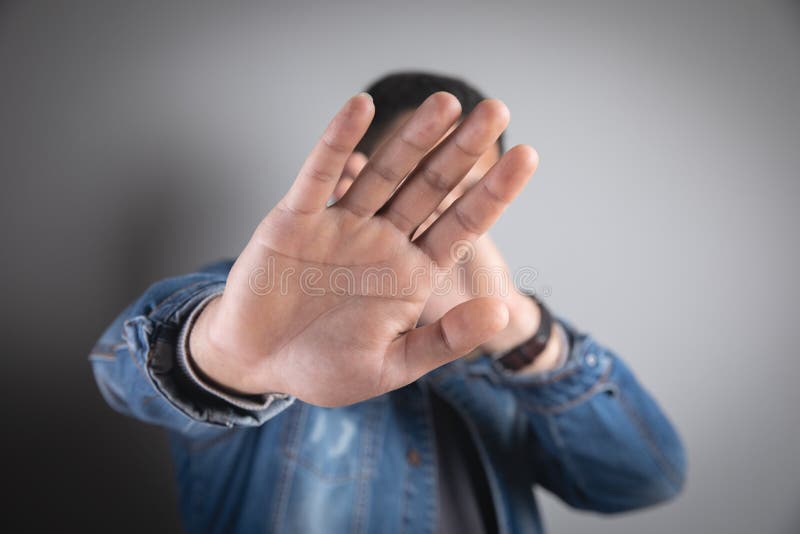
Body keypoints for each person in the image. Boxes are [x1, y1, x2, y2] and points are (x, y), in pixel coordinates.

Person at [89, 72, 685, 534]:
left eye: (468, 197)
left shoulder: (510, 349)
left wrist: (522, 334)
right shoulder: (260, 305)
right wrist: (226, 358)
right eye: (422, 182)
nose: (444, 218)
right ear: (357, 180)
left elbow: (645, 480)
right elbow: (121, 369)